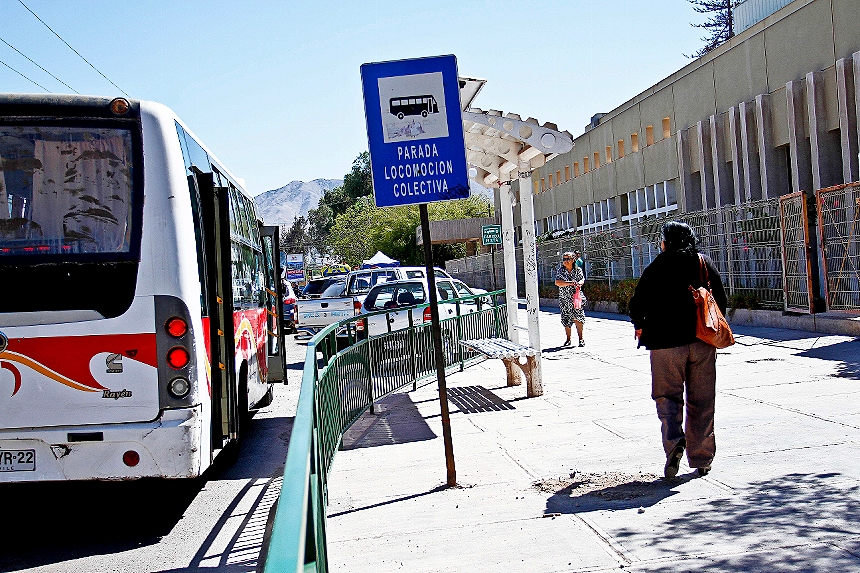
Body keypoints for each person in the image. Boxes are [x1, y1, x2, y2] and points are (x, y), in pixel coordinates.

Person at [628, 221, 727, 479]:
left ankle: (674, 444)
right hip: (702, 343)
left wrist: (640, 324)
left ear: (667, 242)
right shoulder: (703, 263)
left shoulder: (657, 266)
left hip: (664, 346)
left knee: (667, 398)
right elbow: (721, 302)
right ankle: (702, 458)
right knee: (702, 400)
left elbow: (637, 305)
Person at [555, 251, 586, 347]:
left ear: (573, 260)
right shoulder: (561, 270)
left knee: (578, 318)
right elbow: (558, 282)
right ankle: (568, 339)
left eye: (568, 259)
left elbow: (582, 279)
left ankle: (581, 339)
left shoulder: (578, 270)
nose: (565, 261)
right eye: (564, 259)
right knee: (566, 319)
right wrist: (570, 283)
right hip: (565, 299)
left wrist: (580, 283)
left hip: (576, 299)